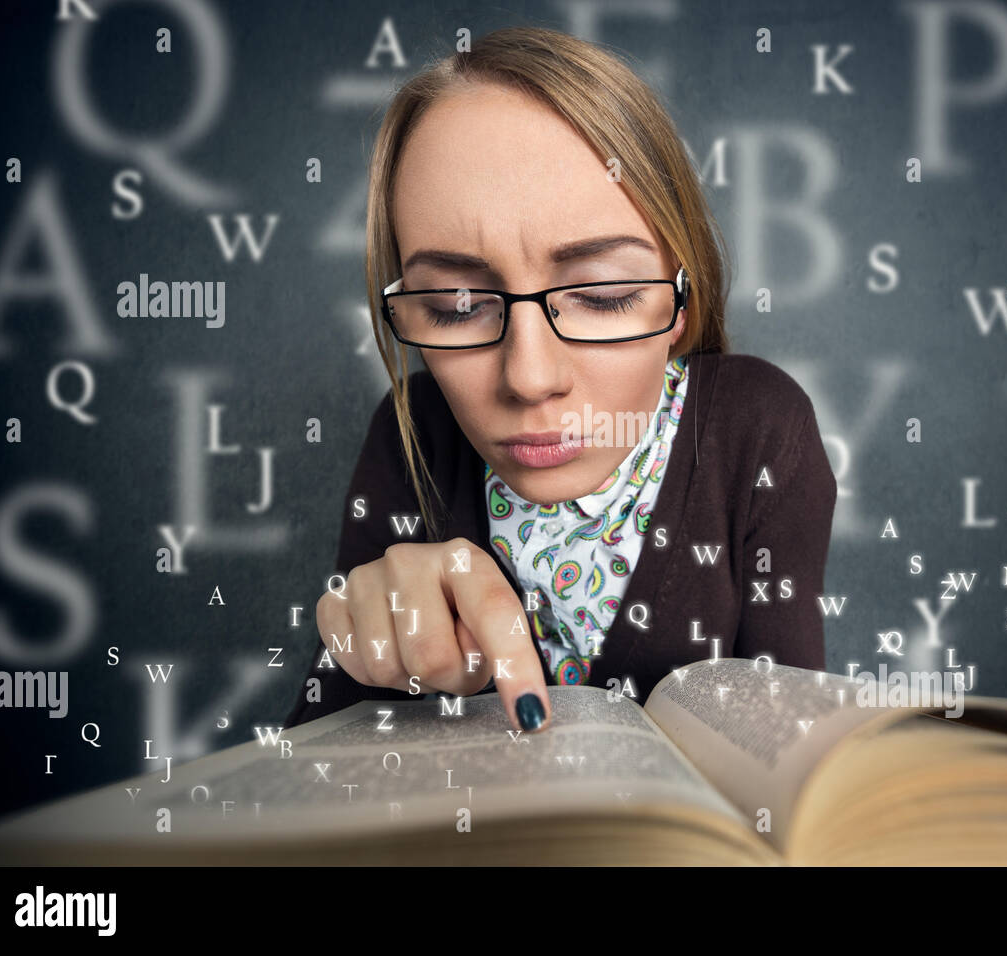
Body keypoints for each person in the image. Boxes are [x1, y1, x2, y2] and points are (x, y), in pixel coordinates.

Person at [284, 26, 837, 736]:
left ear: (680, 303)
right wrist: (365, 658)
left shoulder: (759, 432)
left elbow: (792, 760)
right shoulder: (409, 436)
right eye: (456, 308)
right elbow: (304, 783)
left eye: (603, 296)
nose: (530, 377)